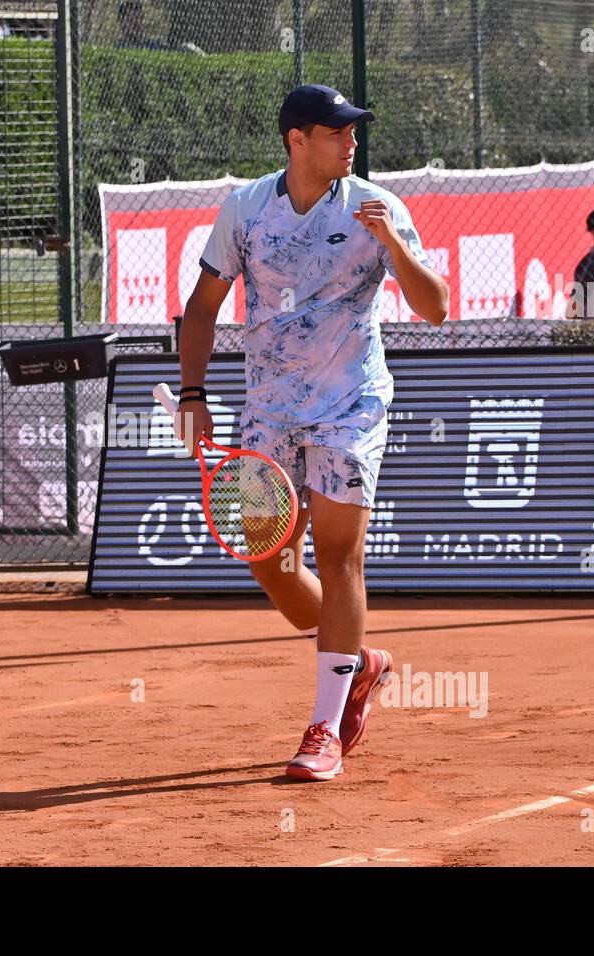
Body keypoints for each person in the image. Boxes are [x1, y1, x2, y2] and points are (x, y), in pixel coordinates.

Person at [174, 84, 448, 781]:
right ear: (297, 139)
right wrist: (194, 394)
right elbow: (202, 309)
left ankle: (324, 726)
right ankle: (359, 664)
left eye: (353, 131)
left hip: (350, 403)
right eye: (336, 131)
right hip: (268, 408)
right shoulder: (245, 209)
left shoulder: (375, 208)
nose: (351, 142)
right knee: (270, 562)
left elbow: (435, 308)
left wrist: (390, 241)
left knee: (337, 555)